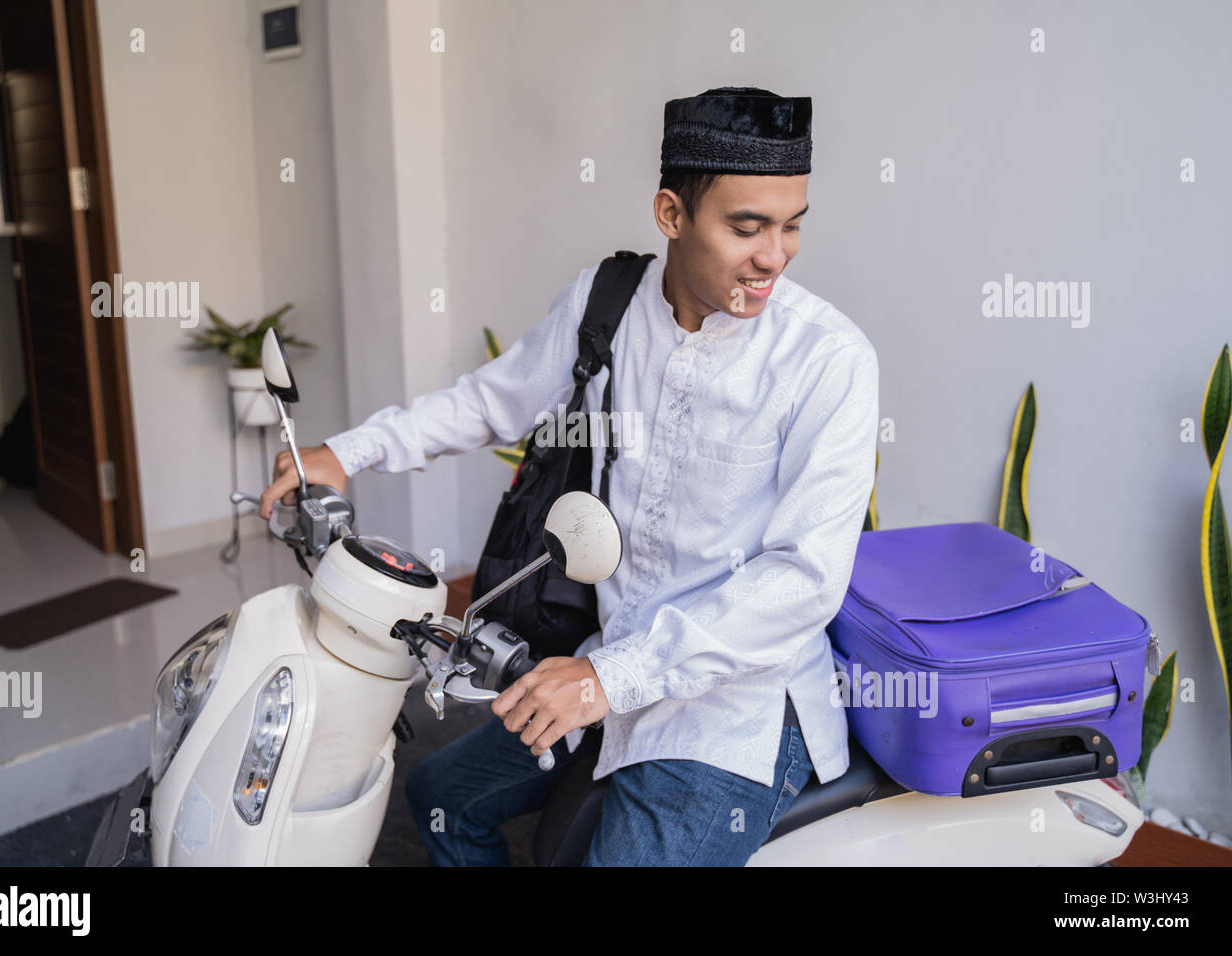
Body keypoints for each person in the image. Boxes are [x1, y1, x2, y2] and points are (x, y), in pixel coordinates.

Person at [259, 87, 879, 866]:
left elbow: (804, 579)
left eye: (791, 227)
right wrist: (349, 452)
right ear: (671, 214)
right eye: (746, 227)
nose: (773, 256)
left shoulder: (829, 361)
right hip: (605, 657)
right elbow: (492, 400)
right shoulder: (609, 303)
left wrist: (606, 678)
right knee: (441, 796)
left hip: (735, 711)